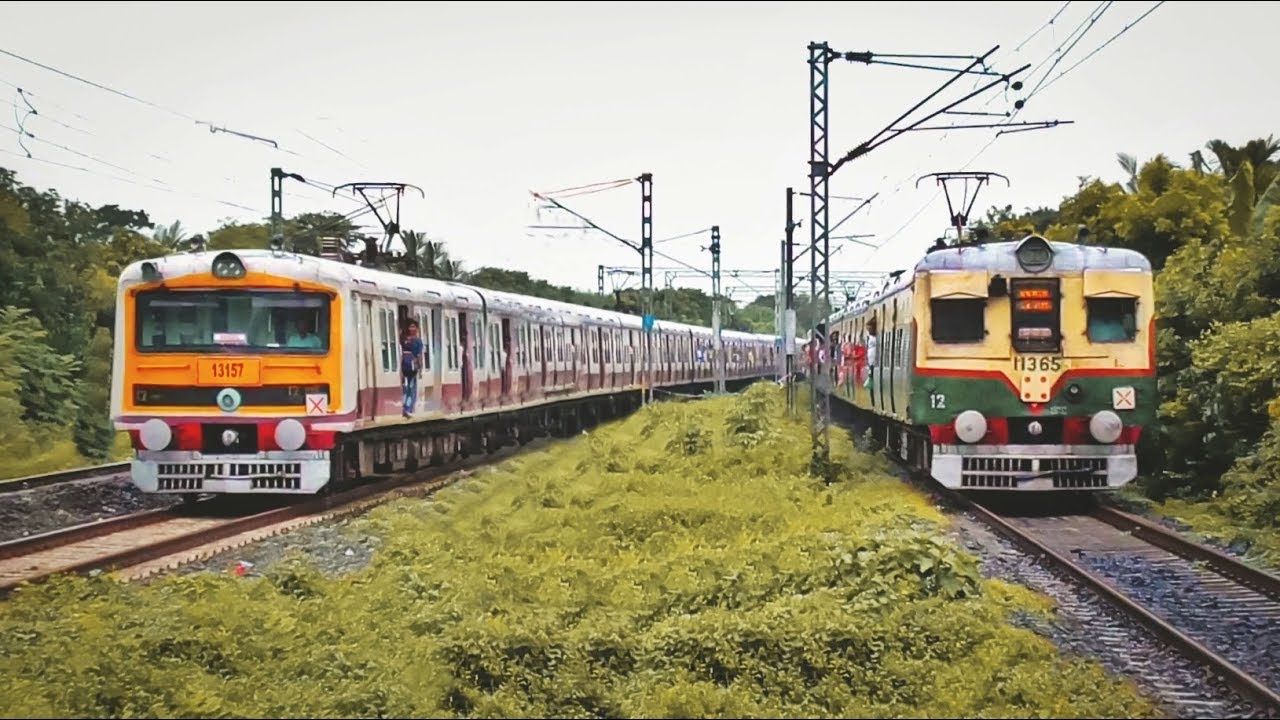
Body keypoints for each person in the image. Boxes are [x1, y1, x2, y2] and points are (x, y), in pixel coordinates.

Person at [401, 321, 424, 417]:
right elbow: (419, 355)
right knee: (411, 387)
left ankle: (403, 406)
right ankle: (408, 408)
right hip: (412, 367)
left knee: (405, 387)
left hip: (403, 366)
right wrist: (420, 367)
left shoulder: (403, 339)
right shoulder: (418, 341)